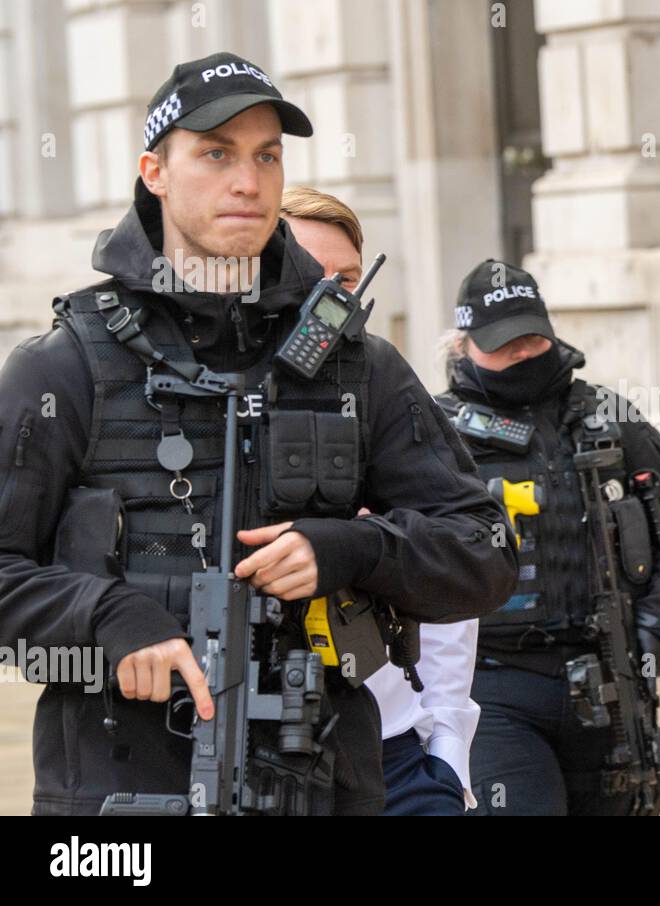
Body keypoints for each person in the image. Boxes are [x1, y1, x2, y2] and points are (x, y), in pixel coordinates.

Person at [0, 52, 516, 815]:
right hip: (115, 797)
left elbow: (484, 552)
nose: (248, 181)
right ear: (155, 171)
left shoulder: (356, 366)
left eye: (267, 156)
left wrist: (352, 549)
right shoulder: (63, 367)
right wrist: (104, 616)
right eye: (216, 154)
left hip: (322, 780)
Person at [438, 259, 660, 815]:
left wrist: (657, 633)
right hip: (492, 689)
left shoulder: (606, 416)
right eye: (502, 343)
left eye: (532, 339)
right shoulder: (434, 428)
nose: (520, 354)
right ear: (463, 346)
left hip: (610, 678)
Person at [281, 186, 480, 815]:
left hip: (394, 752)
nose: (330, 294)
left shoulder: (382, 391)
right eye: (311, 274)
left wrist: (446, 746)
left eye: (346, 276)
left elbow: (456, 563)